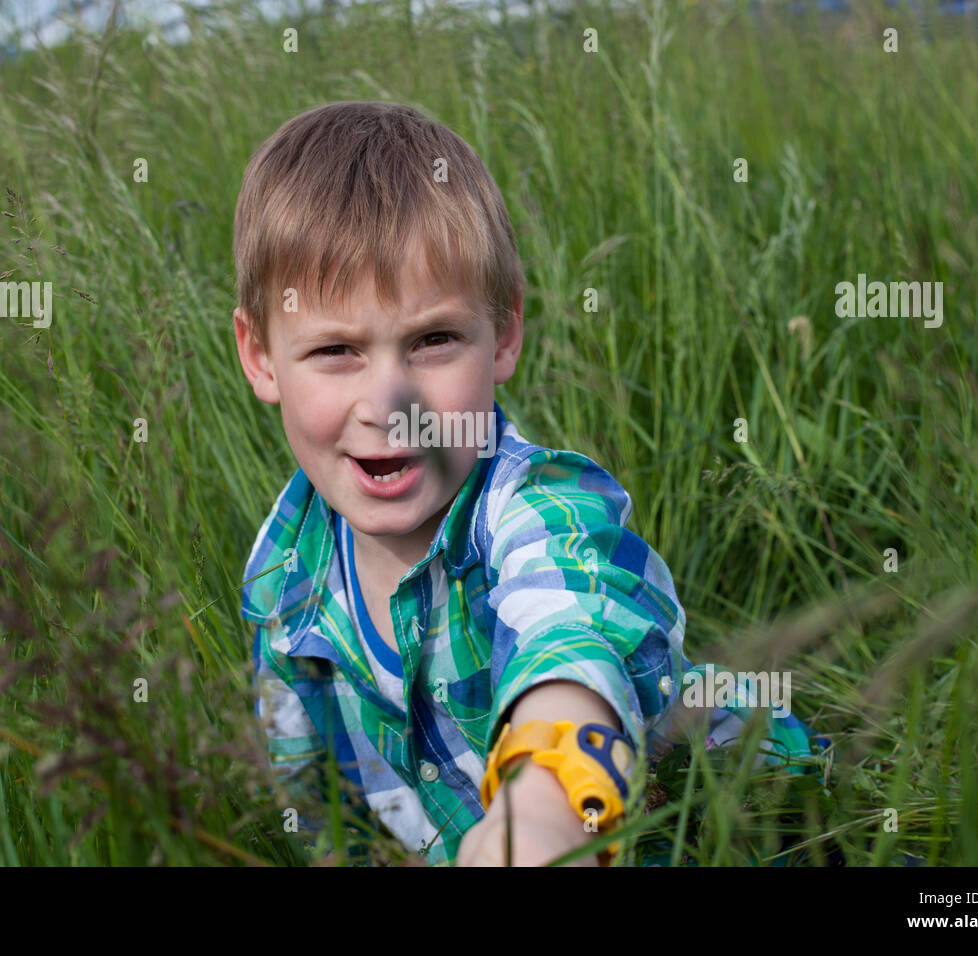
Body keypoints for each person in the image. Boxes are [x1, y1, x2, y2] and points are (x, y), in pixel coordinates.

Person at [233, 101, 829, 866]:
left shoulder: (540, 508)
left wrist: (542, 812)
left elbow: (571, 633)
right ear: (260, 357)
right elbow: (316, 804)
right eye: (337, 350)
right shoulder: (285, 579)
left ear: (505, 333)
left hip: (756, 820)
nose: (389, 405)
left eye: (434, 340)